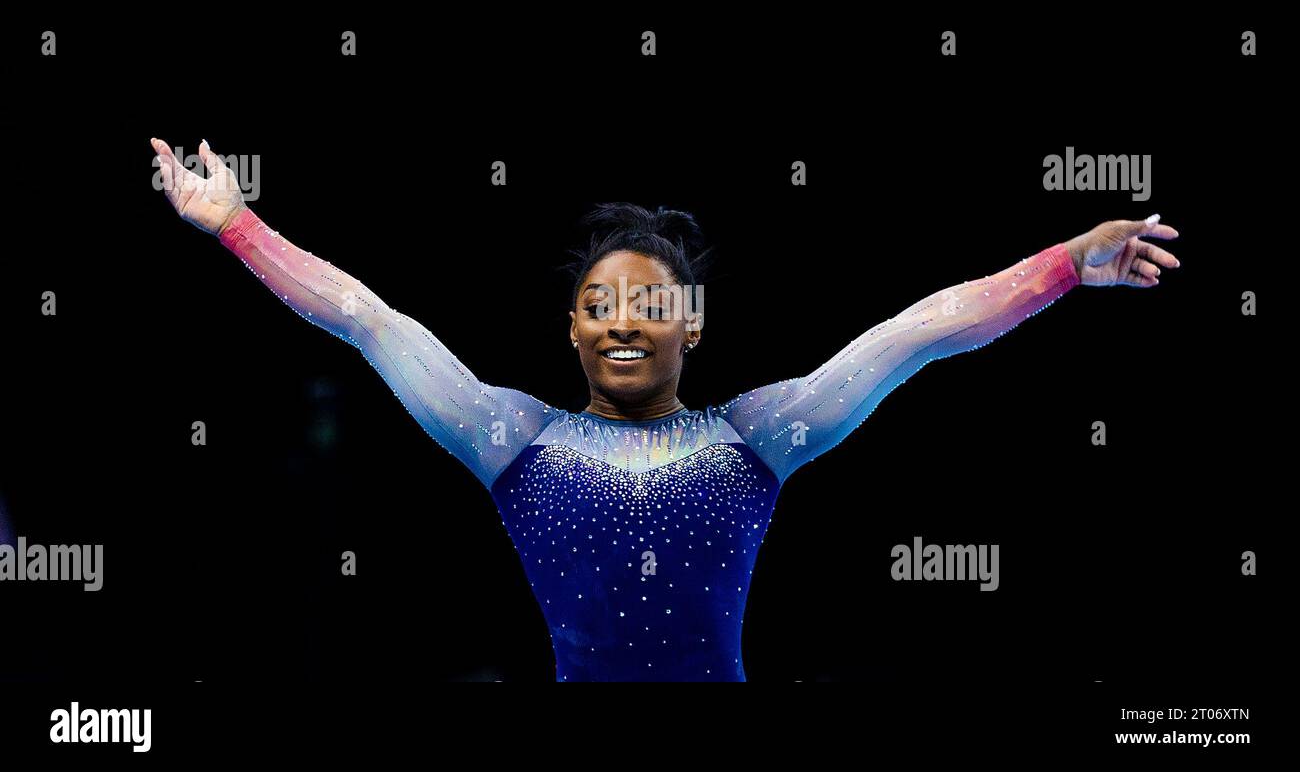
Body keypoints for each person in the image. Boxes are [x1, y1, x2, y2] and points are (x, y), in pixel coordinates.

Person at [150, 137, 1181, 680]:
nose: (625, 322)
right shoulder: (512, 435)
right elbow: (368, 320)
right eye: (600, 306)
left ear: (694, 328)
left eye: (652, 305)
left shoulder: (754, 434)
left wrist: (1063, 268)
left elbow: (918, 331)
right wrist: (238, 224)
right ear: (571, 329)